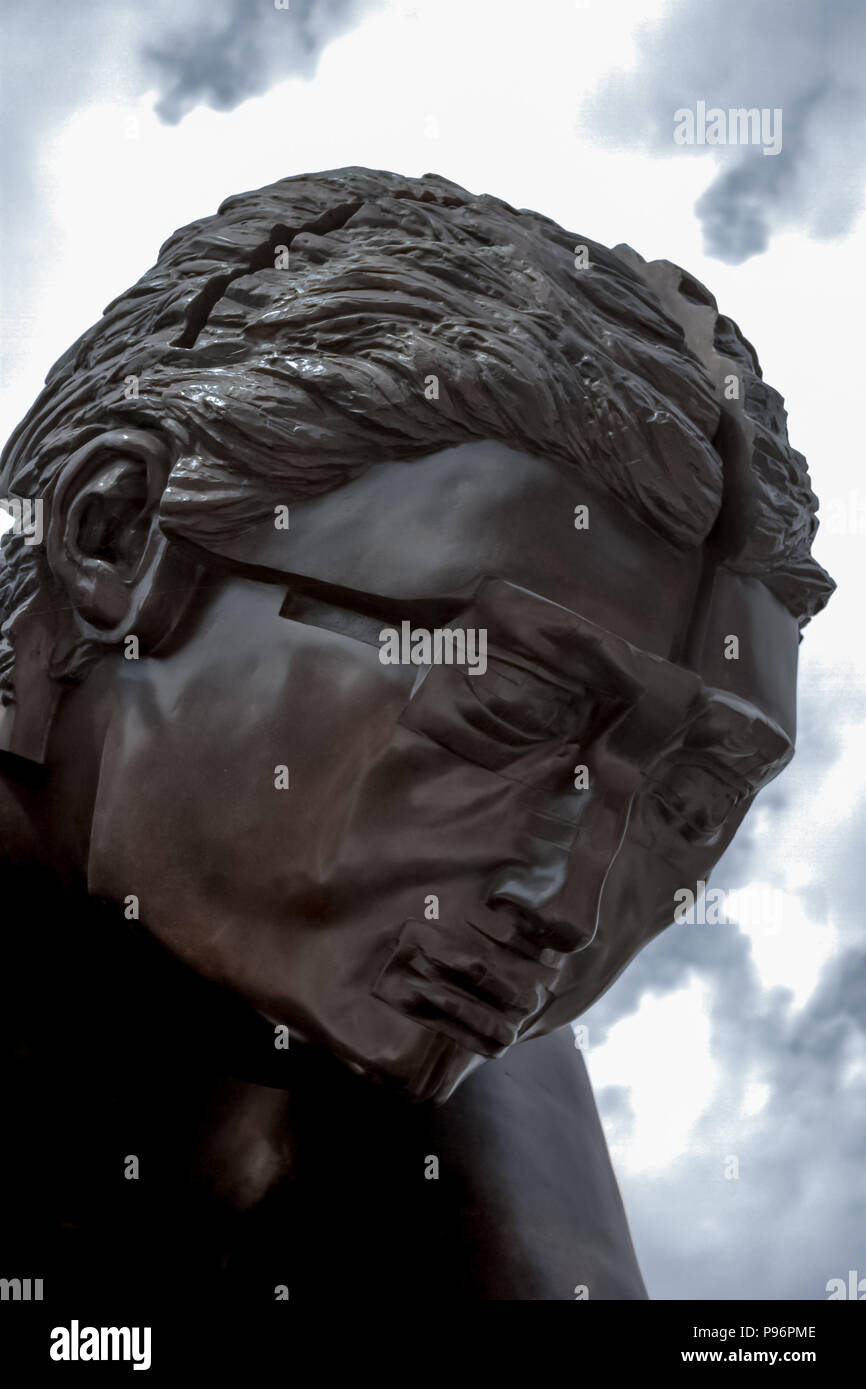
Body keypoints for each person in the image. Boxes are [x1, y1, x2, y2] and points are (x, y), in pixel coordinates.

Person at [0, 167, 832, 1303]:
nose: (561, 907)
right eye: (505, 706)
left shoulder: (408, 1019)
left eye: (683, 811)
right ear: (116, 534)